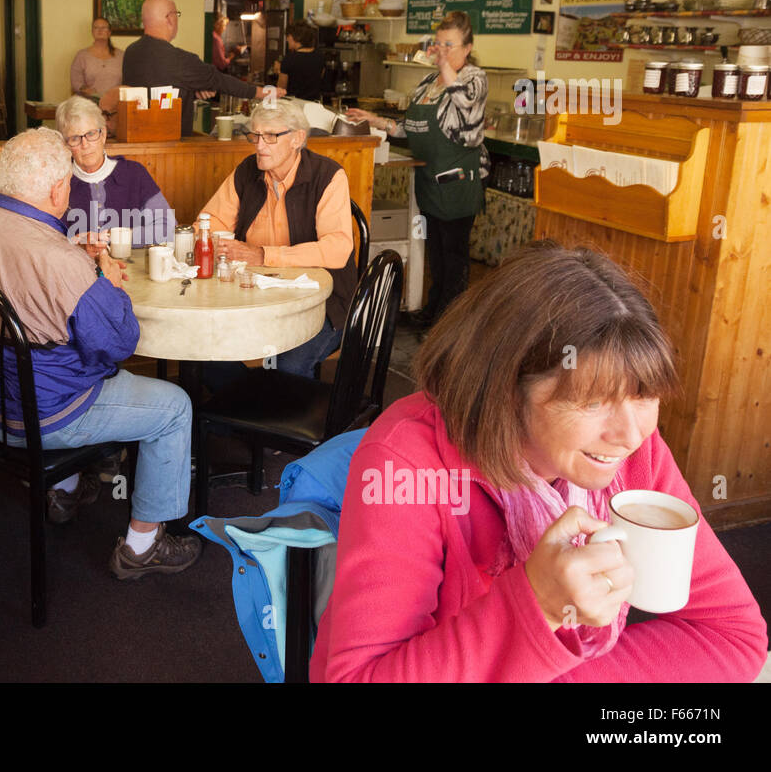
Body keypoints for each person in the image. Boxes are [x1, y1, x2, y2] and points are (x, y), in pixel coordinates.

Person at [310, 242, 768, 682]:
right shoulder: (405, 467)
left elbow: (733, 633)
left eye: (644, 396)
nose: (630, 435)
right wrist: (538, 605)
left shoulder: (632, 451)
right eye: (591, 402)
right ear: (508, 391)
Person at [0, 128, 201, 578]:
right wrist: (105, 280)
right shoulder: (63, 264)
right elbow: (120, 342)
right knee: (175, 406)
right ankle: (142, 547)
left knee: (52, 361)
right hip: (43, 418)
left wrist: (70, 254)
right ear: (56, 189)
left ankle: (65, 490)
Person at [348, 10, 488, 330]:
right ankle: (432, 310)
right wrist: (373, 120)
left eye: (449, 45)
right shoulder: (427, 83)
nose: (442, 50)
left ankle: (449, 324)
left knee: (453, 259)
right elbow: (407, 129)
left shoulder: (473, 79)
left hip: (456, 183)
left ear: (467, 48)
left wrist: (444, 68)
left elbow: (465, 106)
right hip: (428, 182)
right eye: (439, 44)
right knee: (434, 255)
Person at [199, 99, 356, 379]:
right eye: (255, 135)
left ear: (298, 138)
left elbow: (338, 250)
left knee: (289, 366)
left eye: (271, 136)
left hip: (323, 303)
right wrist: (219, 243)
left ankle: (279, 417)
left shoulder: (328, 176)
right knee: (206, 350)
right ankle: (246, 416)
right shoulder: (248, 171)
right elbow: (208, 223)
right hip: (254, 296)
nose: (259, 146)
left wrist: (262, 255)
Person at [121, 0, 281, 137]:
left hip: (136, 140)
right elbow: (219, 80)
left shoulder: (131, 52)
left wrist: (192, 92)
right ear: (169, 18)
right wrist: (262, 92)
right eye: (176, 14)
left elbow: (157, 84)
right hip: (170, 147)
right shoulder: (180, 60)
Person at [57, 96, 173, 251]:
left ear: (103, 135)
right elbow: (46, 240)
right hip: (79, 271)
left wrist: (115, 237)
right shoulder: (59, 183)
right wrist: (76, 243)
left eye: (91, 134)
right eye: (75, 138)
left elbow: (168, 228)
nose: (85, 144)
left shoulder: (134, 174)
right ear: (66, 145)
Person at [70, 19, 123, 97]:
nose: (100, 30)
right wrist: (85, 90)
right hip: (89, 104)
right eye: (96, 27)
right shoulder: (81, 56)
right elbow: (76, 82)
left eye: (104, 27)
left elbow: (129, 80)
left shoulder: (121, 55)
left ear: (109, 32)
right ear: (92, 32)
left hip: (116, 104)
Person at [275, 22, 325, 101]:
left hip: (294, 105)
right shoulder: (320, 57)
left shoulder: (289, 59)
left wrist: (279, 72)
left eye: (288, 36)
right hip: (314, 105)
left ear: (294, 37)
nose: (287, 40)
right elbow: (318, 78)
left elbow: (281, 89)